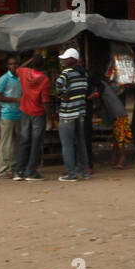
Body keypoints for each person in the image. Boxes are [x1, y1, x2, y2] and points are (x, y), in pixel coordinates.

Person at [53, 47, 91, 182]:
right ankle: (85, 172)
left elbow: (59, 87)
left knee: (67, 144)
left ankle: (71, 174)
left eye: (65, 58)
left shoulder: (66, 73)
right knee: (81, 143)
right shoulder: (84, 73)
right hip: (80, 112)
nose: (63, 60)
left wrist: (62, 95)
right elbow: (85, 90)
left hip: (68, 114)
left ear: (72, 60)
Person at [13, 55, 51, 181]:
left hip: (25, 111)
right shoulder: (44, 80)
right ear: (43, 66)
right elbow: (45, 101)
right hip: (38, 114)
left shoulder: (24, 72)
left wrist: (29, 59)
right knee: (36, 143)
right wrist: (50, 117)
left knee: (24, 141)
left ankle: (19, 170)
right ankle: (31, 171)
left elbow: (17, 69)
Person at [0, 57, 22, 178]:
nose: (13, 66)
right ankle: (3, 170)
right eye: (11, 64)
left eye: (15, 64)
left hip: (19, 115)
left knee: (16, 144)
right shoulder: (4, 79)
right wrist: (14, 100)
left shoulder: (21, 79)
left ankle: (14, 168)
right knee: (6, 143)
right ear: (8, 66)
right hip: (8, 115)